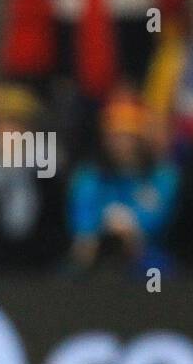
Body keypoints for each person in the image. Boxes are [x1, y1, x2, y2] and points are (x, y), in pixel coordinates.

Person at [68, 95, 180, 273]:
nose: (122, 144)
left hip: (147, 253)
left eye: (129, 136)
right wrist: (91, 231)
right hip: (96, 250)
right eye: (116, 137)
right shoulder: (90, 174)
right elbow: (83, 210)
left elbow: (158, 213)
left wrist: (131, 227)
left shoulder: (163, 175)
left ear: (141, 139)